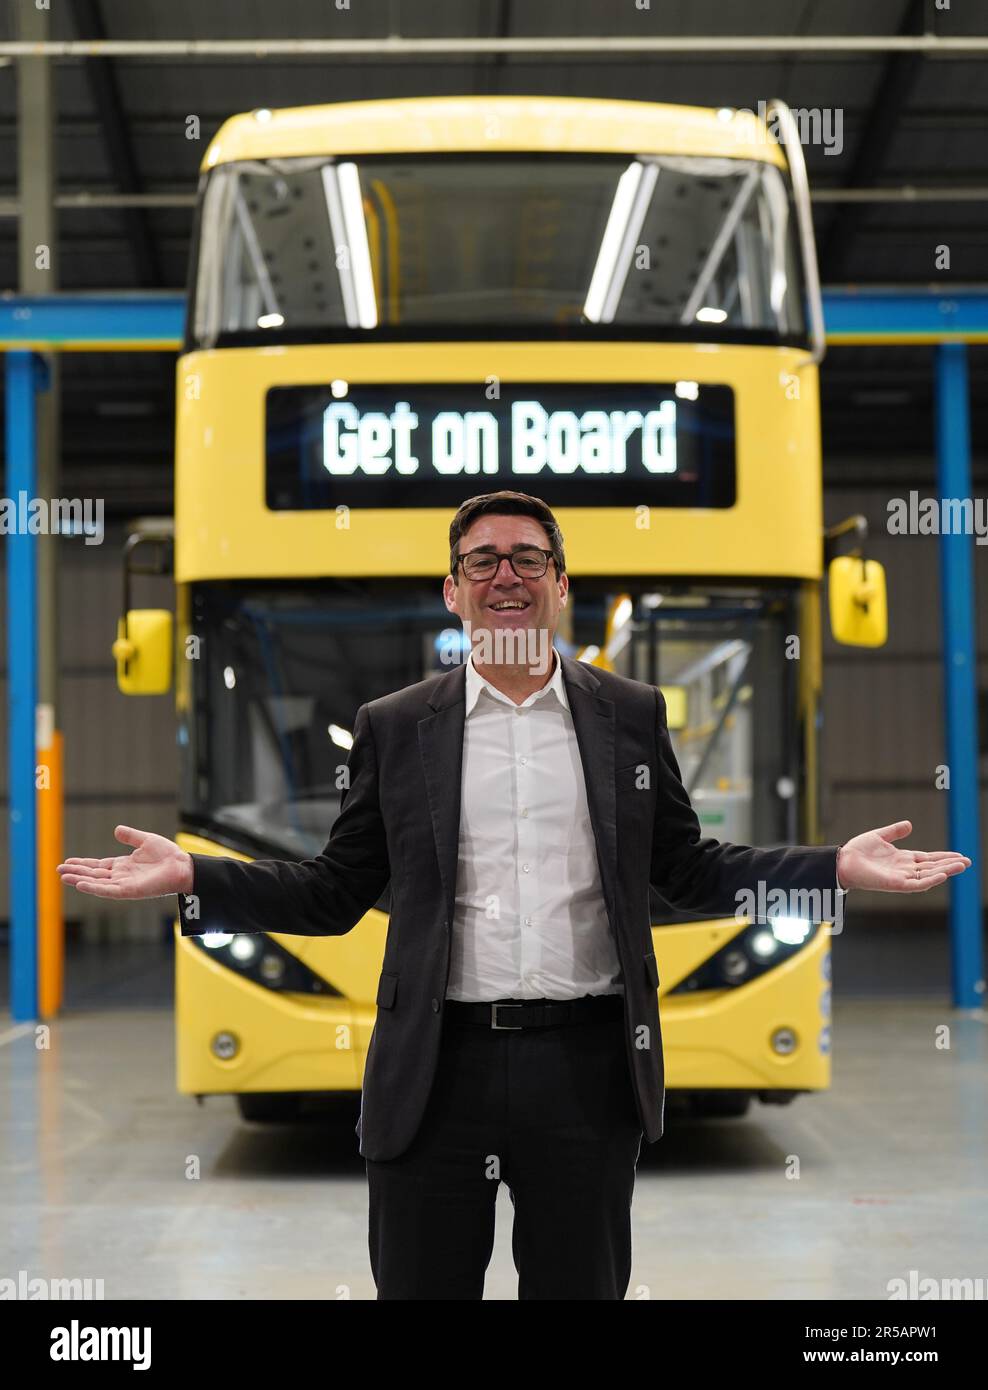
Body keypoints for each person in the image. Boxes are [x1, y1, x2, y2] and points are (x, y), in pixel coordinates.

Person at [59, 490, 971, 1301]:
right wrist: (193, 874)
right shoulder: (397, 727)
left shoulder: (630, 715)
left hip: (586, 1070)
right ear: (452, 590)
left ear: (560, 584)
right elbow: (335, 891)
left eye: (528, 558)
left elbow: (690, 869)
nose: (506, 574)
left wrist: (832, 870)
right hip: (435, 1069)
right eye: (482, 560)